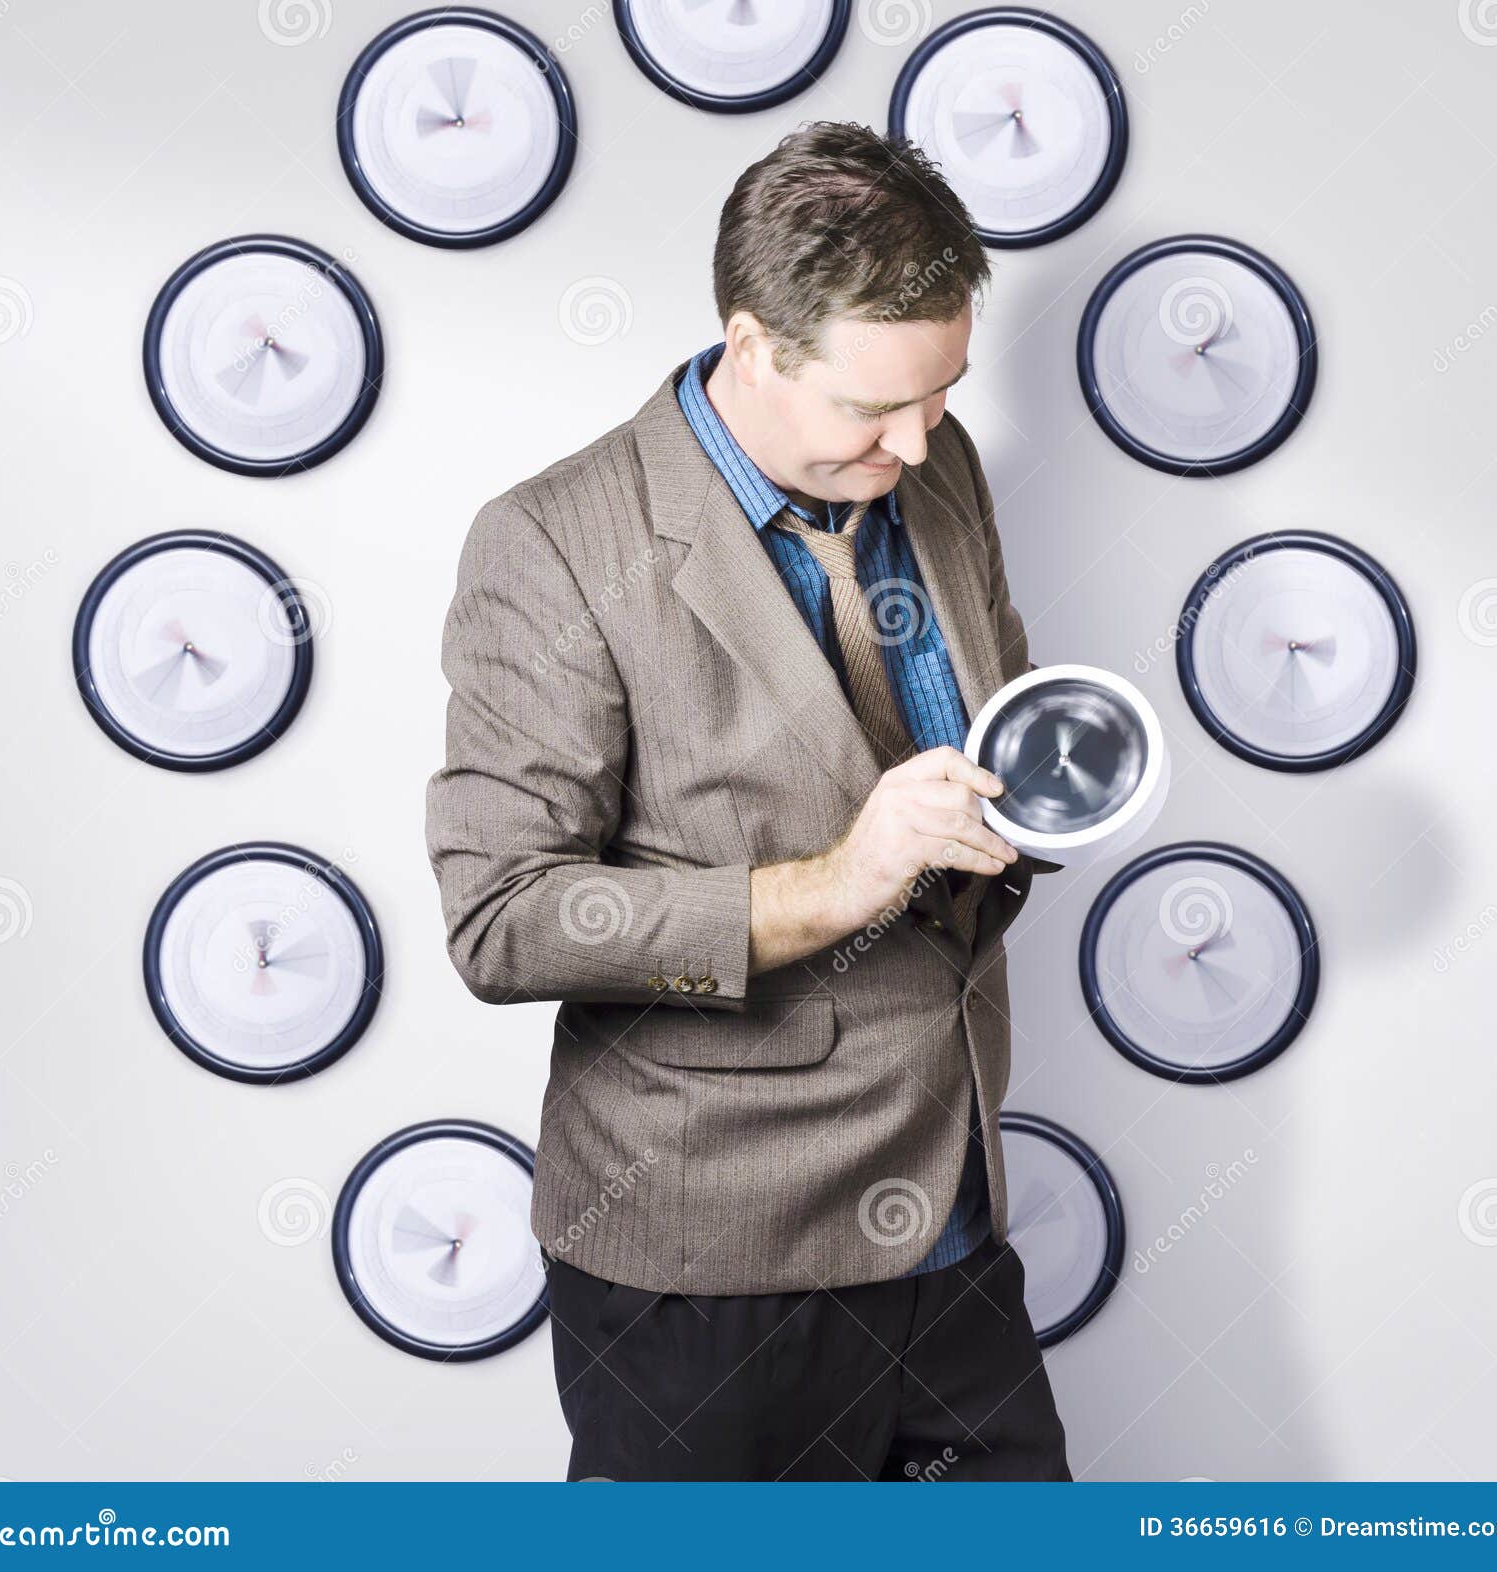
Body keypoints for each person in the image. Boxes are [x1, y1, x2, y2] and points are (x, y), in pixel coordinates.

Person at [426, 120, 1069, 1481]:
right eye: (872, 406)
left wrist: (1052, 783)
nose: (917, 439)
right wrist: (838, 882)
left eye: (943, 390)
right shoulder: (553, 544)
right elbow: (502, 920)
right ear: (756, 343)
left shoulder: (937, 470)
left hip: (952, 1231)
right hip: (708, 1275)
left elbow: (987, 750)